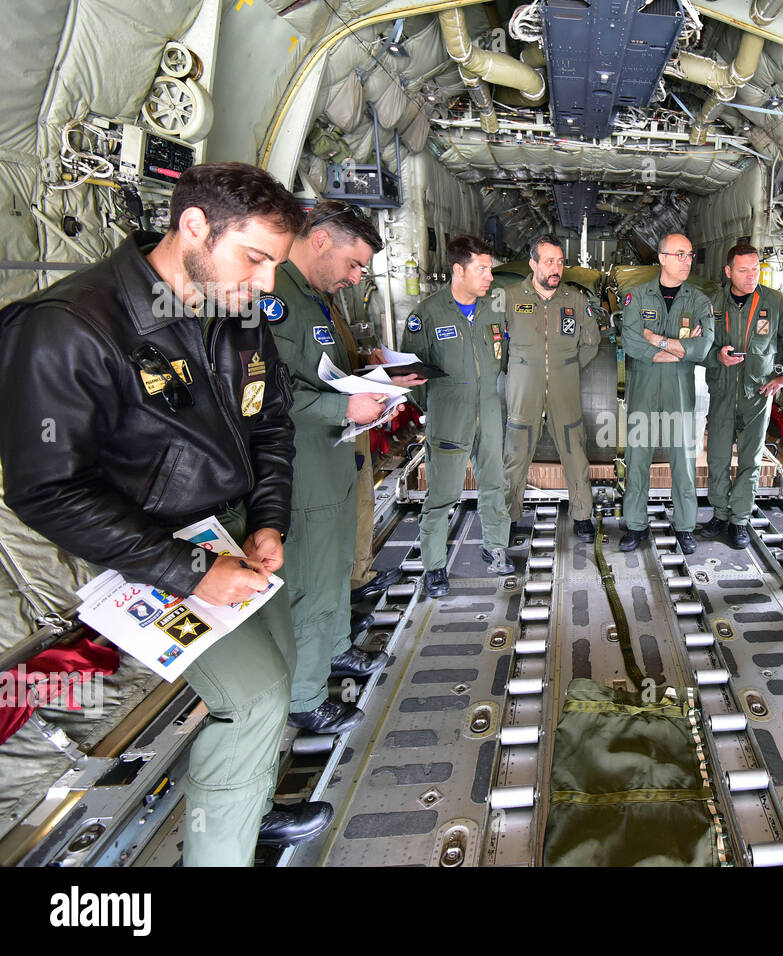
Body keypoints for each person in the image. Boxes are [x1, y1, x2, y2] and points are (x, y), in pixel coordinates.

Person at [0, 162, 332, 865]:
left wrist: (268, 519)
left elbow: (270, 424)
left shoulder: (237, 314)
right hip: (148, 551)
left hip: (233, 534)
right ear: (193, 227)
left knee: (285, 658)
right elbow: (46, 489)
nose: (268, 284)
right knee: (254, 698)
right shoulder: (73, 328)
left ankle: (246, 806)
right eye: (255, 258)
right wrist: (189, 569)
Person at [267, 200, 419, 735]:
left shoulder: (315, 298)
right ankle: (305, 698)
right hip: (301, 465)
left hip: (334, 456)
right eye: (354, 265)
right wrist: (342, 408)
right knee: (309, 579)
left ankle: (334, 651)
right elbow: (259, 395)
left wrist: (375, 379)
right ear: (322, 241)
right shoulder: (272, 297)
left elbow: (320, 371)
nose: (356, 279)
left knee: (334, 568)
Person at [403, 234, 512, 598]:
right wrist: (437, 408)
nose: (489, 277)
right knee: (443, 494)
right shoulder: (428, 315)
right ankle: (434, 566)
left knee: (495, 483)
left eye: (490, 269)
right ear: (458, 270)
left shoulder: (492, 312)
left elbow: (502, 358)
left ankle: (495, 546)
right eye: (482, 269)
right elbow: (412, 375)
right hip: (449, 416)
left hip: (489, 412)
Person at [697, 242, 783, 549]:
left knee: (750, 460)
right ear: (728, 271)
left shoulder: (774, 303)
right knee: (718, 458)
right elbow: (697, 347)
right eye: (743, 270)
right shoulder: (712, 305)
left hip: (758, 396)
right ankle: (720, 514)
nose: (750, 276)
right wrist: (716, 358)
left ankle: (739, 521)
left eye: (755, 268)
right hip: (722, 393)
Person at [619, 233, 715, 554]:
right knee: (637, 461)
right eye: (679, 255)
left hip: (680, 393)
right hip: (644, 392)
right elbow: (631, 343)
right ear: (662, 258)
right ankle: (635, 525)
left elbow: (701, 348)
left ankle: (685, 527)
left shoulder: (699, 301)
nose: (686, 261)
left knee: (683, 463)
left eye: (689, 255)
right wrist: (678, 349)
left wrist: (656, 340)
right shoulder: (636, 297)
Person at [501, 235, 601, 543]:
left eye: (559, 261)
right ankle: (508, 517)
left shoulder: (575, 300)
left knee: (575, 454)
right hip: (523, 392)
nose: (556, 268)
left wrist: (565, 368)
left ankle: (583, 515)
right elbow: (495, 343)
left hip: (564, 392)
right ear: (533, 264)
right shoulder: (508, 297)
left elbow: (591, 343)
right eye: (549, 261)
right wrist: (515, 370)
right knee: (515, 456)